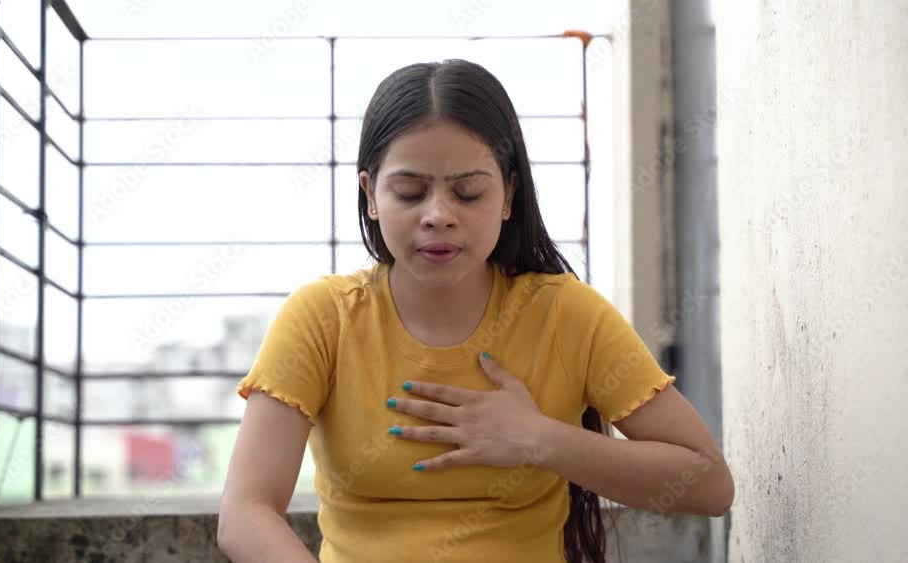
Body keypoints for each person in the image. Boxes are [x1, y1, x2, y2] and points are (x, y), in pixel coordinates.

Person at [218, 59, 734, 563]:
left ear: (509, 194)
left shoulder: (565, 314)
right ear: (370, 194)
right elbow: (246, 512)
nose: (438, 215)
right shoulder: (322, 319)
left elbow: (709, 484)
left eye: (467, 192)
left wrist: (540, 439)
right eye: (410, 191)